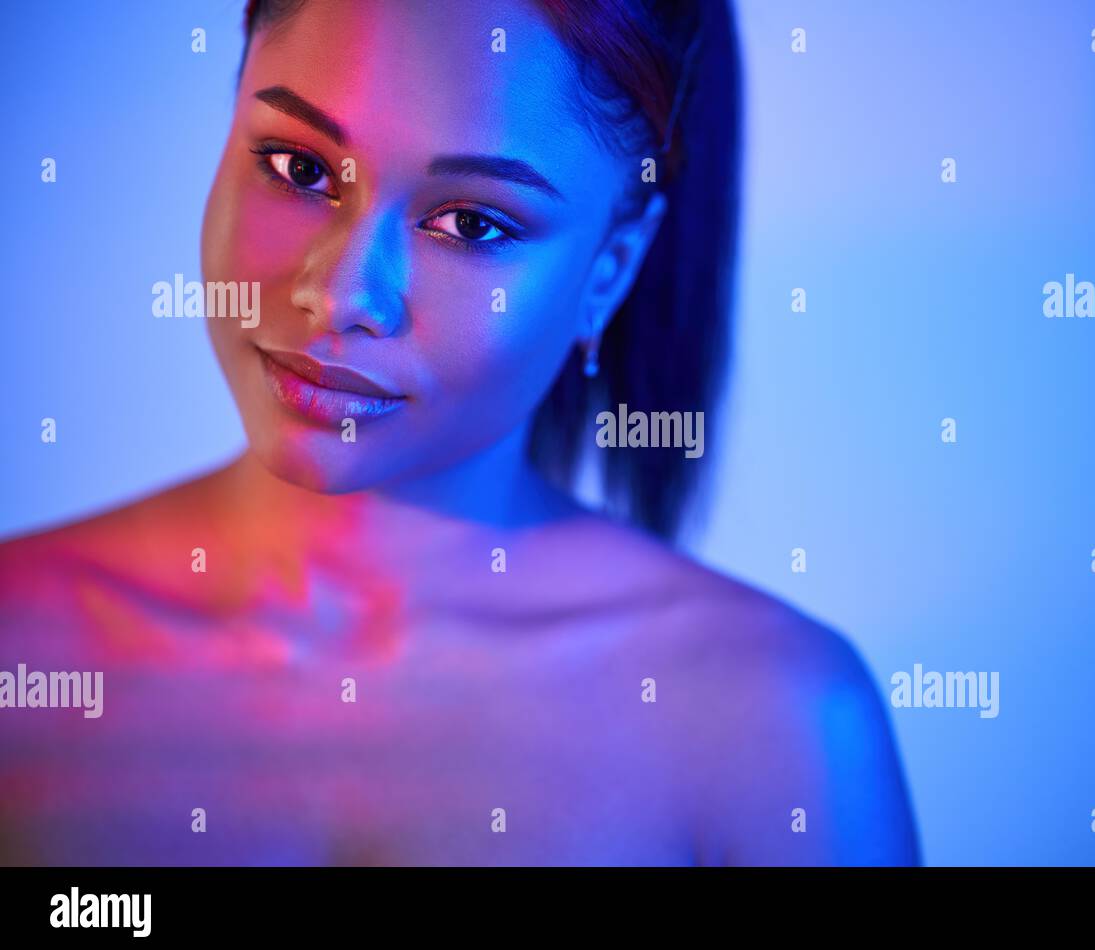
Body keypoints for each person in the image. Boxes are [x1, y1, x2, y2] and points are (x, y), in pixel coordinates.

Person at [0, 0, 918, 865]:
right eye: (299, 168)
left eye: (471, 223)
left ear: (611, 266)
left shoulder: (772, 724)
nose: (342, 294)